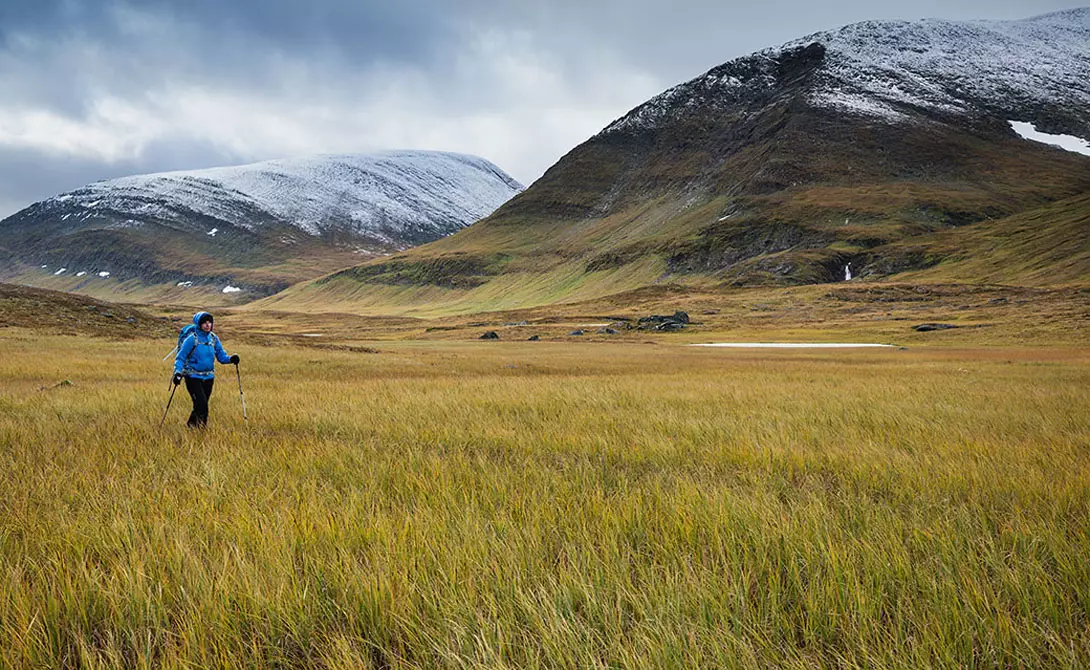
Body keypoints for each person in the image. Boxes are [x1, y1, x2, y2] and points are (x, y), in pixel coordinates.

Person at [172, 311, 239, 428]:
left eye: (210, 322)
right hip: (192, 377)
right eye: (204, 323)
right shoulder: (191, 339)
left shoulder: (213, 338)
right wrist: (177, 373)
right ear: (199, 324)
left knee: (200, 405)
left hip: (209, 377)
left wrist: (231, 359)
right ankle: (201, 430)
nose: (208, 325)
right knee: (202, 405)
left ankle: (192, 427)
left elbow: (221, 357)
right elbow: (180, 358)